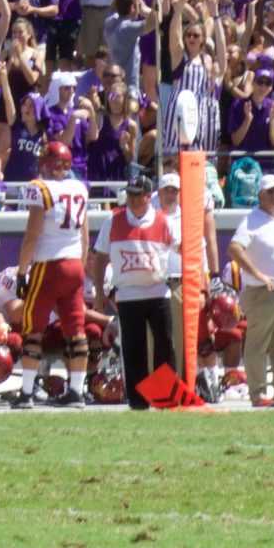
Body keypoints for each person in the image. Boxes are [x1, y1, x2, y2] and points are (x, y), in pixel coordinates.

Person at [17, 138, 94, 402]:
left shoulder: (41, 188)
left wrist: (21, 270)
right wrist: (80, 267)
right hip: (74, 263)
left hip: (48, 264)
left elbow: (32, 234)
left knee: (33, 328)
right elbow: (85, 236)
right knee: (76, 330)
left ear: (45, 164)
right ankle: (76, 392)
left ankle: (26, 392)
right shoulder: (79, 188)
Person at [105, 168, 182, 409]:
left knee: (164, 345)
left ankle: (165, 395)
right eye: (131, 195)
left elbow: (183, 249)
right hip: (127, 294)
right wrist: (100, 291)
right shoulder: (114, 220)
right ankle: (138, 400)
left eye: (139, 195)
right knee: (134, 349)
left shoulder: (163, 221)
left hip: (158, 291)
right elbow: (98, 256)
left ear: (149, 196)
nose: (134, 200)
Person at [229, 174, 274, 408]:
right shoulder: (252, 219)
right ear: (260, 195)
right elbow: (234, 248)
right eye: (271, 192)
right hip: (263, 292)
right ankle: (258, 392)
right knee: (258, 345)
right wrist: (257, 273)